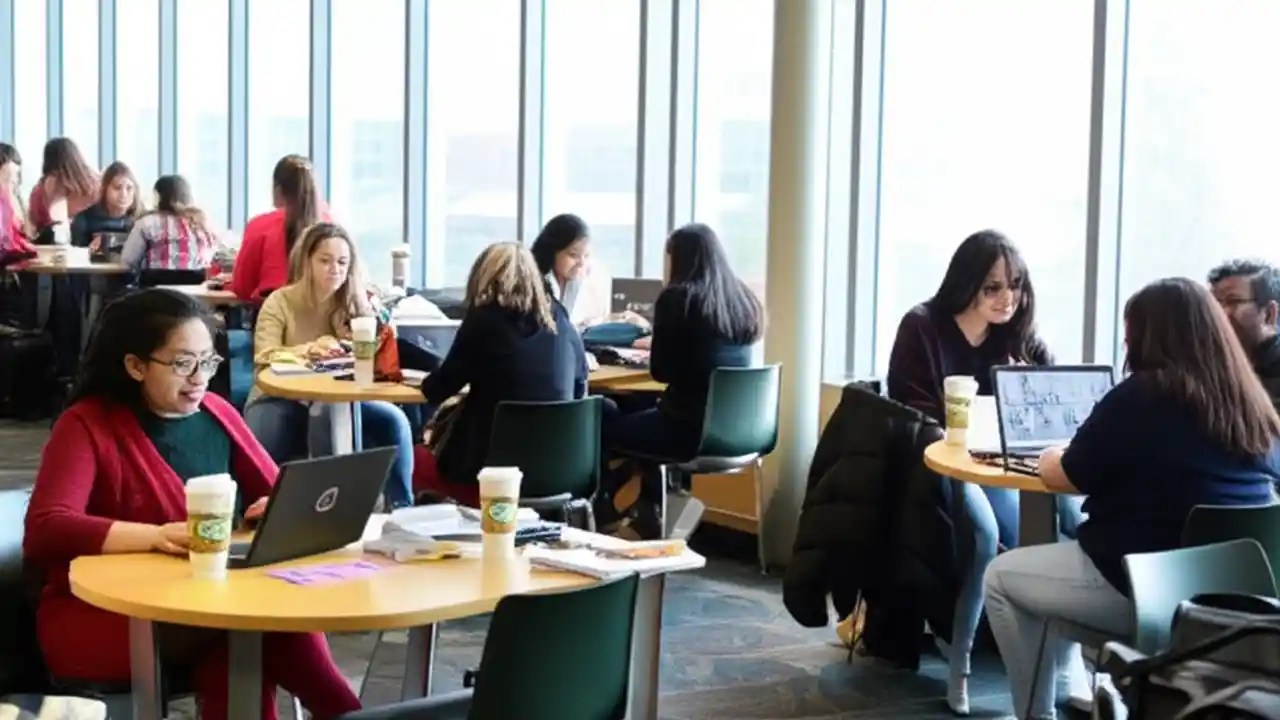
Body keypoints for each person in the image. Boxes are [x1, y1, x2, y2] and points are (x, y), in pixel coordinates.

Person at [22, 289, 362, 720]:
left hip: (203, 600)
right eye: (183, 363)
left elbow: (280, 490)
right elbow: (47, 530)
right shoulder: (87, 424)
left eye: (208, 361)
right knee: (253, 624)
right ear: (135, 366)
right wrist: (157, 536)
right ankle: (348, 712)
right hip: (105, 615)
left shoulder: (217, 412)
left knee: (243, 634)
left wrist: (270, 510)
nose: (199, 376)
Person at [984, 277, 1280, 720]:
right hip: (1237, 609)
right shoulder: (1251, 402)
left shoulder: (1141, 396)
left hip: (1148, 589)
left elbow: (1066, 474)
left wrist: (1052, 451)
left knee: (1003, 579)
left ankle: (1037, 714)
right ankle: (1082, 688)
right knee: (1055, 580)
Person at [885, 229, 1076, 715]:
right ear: (967, 284)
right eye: (992, 287)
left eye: (1015, 285)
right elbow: (911, 409)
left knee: (1073, 523)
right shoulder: (924, 326)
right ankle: (961, 666)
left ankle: (1061, 666)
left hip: (1004, 464)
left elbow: (1048, 403)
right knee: (985, 534)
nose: (1006, 298)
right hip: (942, 460)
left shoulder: (1018, 337)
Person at [601, 223, 763, 535]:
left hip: (688, 432)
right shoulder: (743, 299)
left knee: (600, 415)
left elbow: (660, 372)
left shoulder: (676, 299)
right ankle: (645, 508)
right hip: (741, 430)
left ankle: (608, 509)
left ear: (677, 259)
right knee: (638, 405)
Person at [244, 222, 414, 508]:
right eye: (325, 260)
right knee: (269, 425)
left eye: (342, 262)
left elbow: (383, 355)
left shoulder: (355, 302)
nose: (334, 269)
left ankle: (399, 508)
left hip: (344, 398)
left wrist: (378, 327)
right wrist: (313, 349)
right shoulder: (281, 301)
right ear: (307, 261)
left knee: (394, 420)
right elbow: (265, 356)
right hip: (280, 396)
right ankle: (256, 509)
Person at [413, 242, 588, 505]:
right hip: (557, 472)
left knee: (406, 455)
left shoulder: (484, 320)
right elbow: (578, 385)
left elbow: (437, 390)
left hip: (487, 475)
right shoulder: (560, 318)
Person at [231, 154, 327, 302]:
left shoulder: (260, 226)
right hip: (325, 320)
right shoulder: (333, 226)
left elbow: (242, 288)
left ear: (278, 189)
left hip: (272, 319)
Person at [1209, 259, 1280, 412]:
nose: (1219, 314)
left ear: (1269, 314)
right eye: (1214, 304)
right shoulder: (1213, 368)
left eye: (1233, 301)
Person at [530, 213, 614, 327]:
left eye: (586, 255)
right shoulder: (531, 282)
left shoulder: (592, 277)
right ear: (551, 252)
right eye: (574, 255)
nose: (581, 263)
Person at [121, 174, 220, 271]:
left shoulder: (146, 224)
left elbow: (128, 262)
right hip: (194, 287)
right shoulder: (202, 226)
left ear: (158, 197)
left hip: (157, 286)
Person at [27, 137, 99, 230]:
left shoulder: (40, 190)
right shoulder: (94, 184)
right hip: (89, 240)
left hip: (48, 241)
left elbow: (33, 221)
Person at [70, 161, 144, 250]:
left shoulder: (143, 219)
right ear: (104, 189)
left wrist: (109, 240)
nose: (123, 194)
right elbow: (75, 254)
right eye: (117, 187)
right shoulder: (84, 219)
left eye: (129, 188)